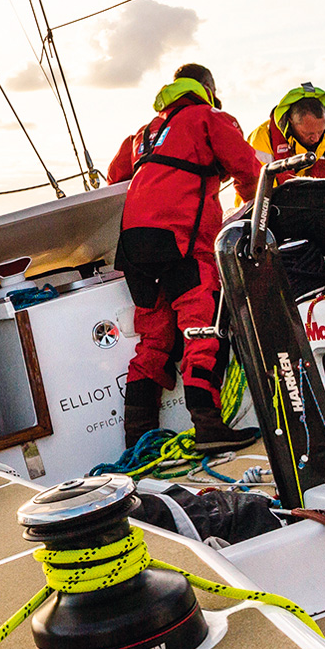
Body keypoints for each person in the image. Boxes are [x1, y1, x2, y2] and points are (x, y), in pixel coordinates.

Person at [106, 64, 262, 452]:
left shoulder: (142, 134)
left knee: (152, 341)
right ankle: (208, 427)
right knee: (200, 329)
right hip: (181, 242)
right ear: (207, 89)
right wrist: (248, 206)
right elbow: (249, 171)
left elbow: (115, 177)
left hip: (134, 245)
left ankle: (137, 440)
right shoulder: (209, 117)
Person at [249, 83, 325, 183]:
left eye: (320, 131)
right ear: (291, 121)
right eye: (309, 134)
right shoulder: (262, 140)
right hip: (277, 201)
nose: (316, 138)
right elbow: (253, 190)